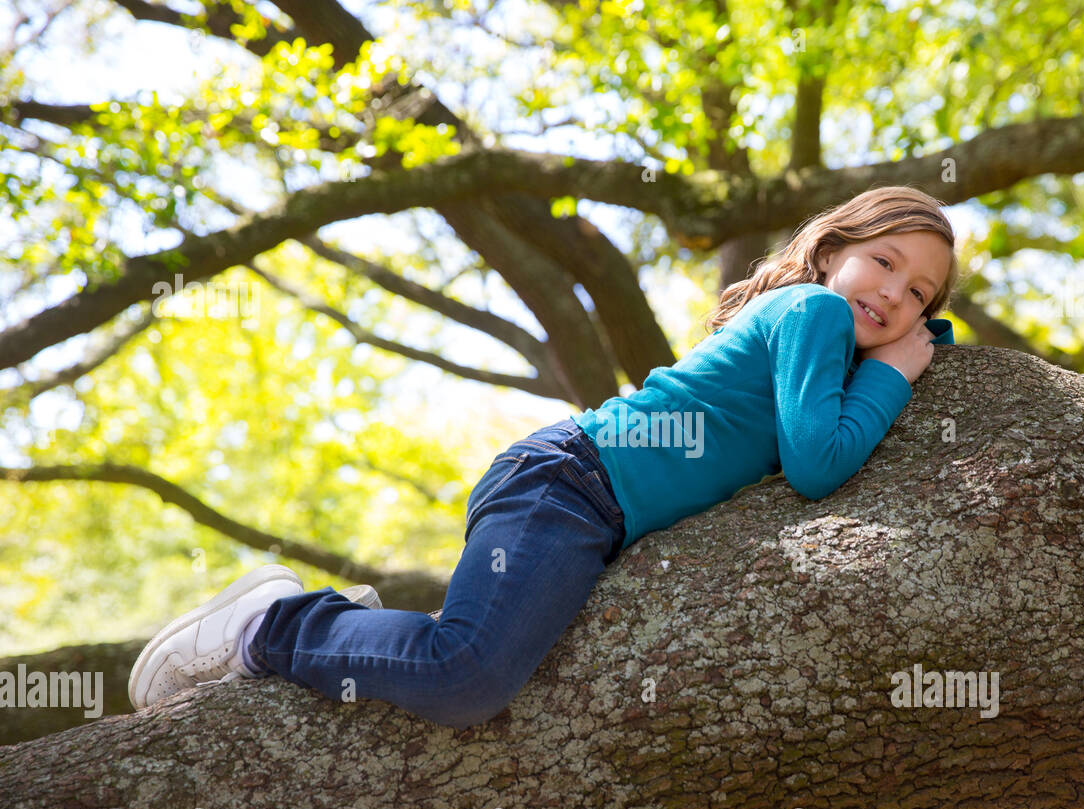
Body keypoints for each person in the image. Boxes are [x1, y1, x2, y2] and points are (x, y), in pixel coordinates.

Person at [128, 184, 964, 729]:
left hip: (586, 502)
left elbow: (859, 400)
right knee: (468, 673)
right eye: (885, 261)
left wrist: (916, 349)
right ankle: (270, 624)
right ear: (831, 251)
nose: (894, 293)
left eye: (918, 293)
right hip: (569, 482)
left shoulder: (819, 340)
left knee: (480, 674)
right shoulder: (813, 311)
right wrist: (893, 371)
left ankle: (339, 620)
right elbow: (819, 466)